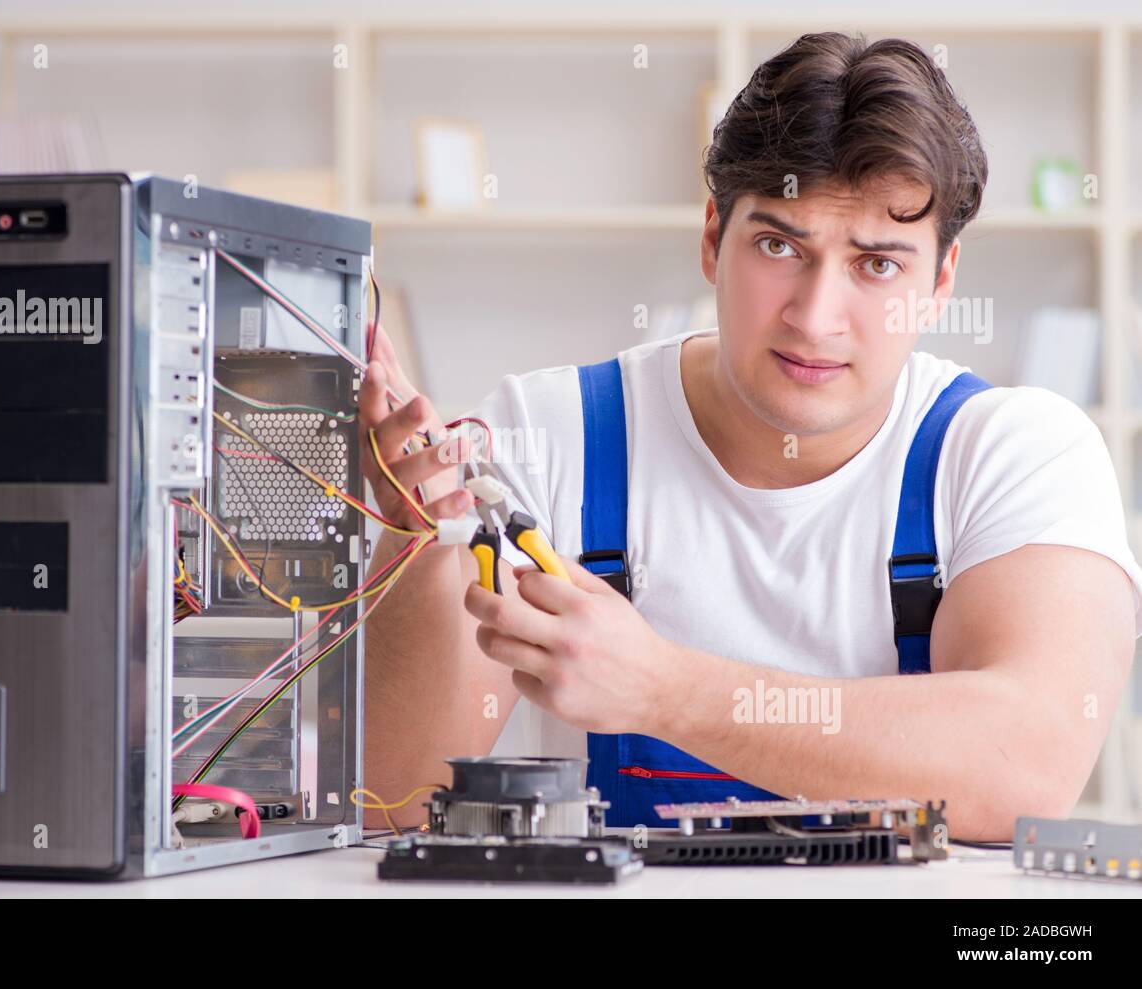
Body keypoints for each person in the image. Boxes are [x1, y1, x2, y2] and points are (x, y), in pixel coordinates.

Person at [358, 32, 1142, 840]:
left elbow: (1026, 766)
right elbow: (394, 799)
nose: (814, 315)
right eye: (779, 245)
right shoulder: (544, 436)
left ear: (941, 281)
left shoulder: (1015, 454)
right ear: (710, 240)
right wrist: (415, 550)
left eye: (876, 265)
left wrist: (663, 688)